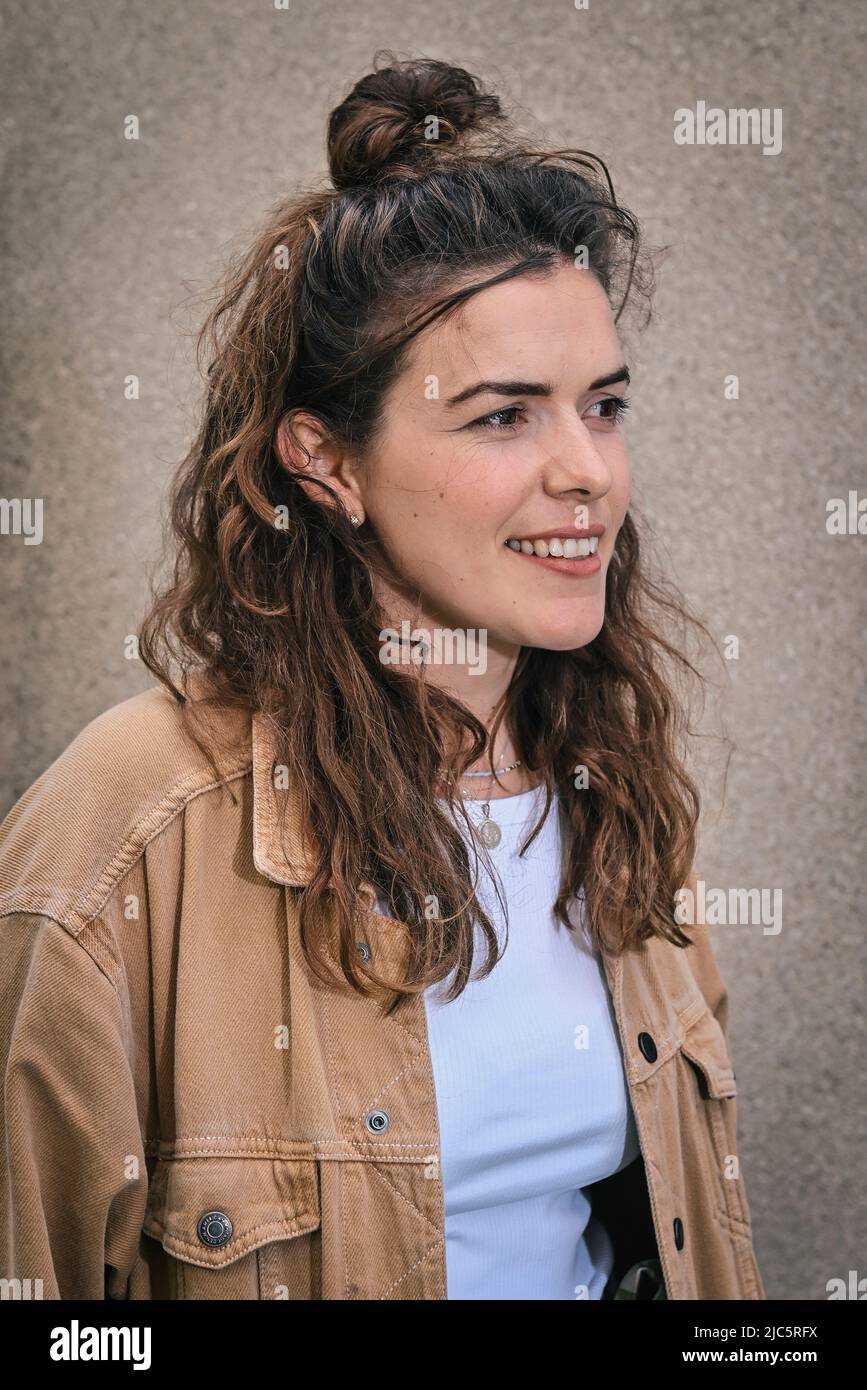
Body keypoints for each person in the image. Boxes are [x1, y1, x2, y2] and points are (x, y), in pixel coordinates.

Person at [0, 53, 766, 1301]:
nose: (590, 473)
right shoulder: (127, 832)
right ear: (327, 462)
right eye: (504, 415)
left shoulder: (615, 787)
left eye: (604, 404)